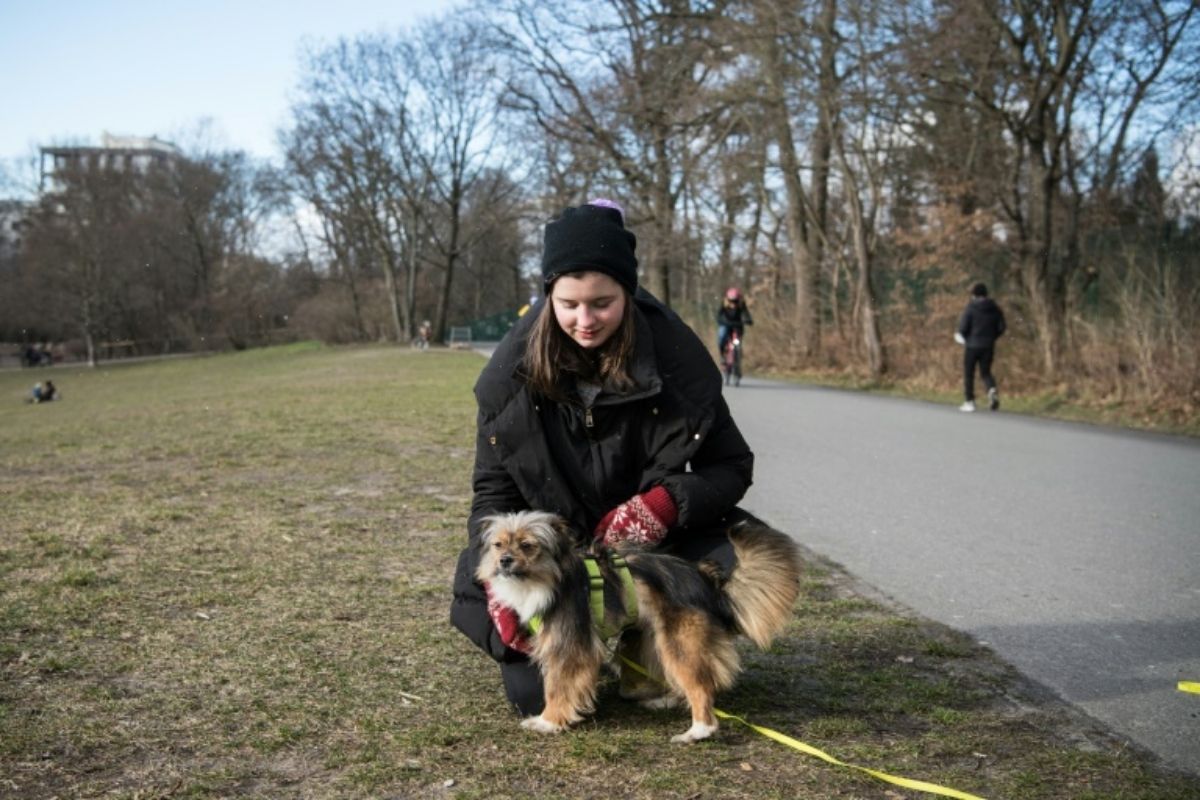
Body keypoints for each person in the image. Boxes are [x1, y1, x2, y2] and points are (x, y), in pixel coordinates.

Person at [450, 199, 756, 716]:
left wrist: (664, 504)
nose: (585, 320)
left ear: (628, 294)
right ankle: (590, 644)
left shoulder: (681, 364)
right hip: (552, 557)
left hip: (649, 550)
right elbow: (492, 492)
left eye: (602, 303)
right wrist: (500, 590)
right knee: (532, 697)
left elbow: (731, 465)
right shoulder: (506, 381)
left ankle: (645, 647)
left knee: (743, 560)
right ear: (548, 296)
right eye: (568, 304)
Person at [955, 282, 1006, 412]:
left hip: (972, 345)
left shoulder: (971, 308)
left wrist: (962, 336)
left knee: (969, 373)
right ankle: (991, 389)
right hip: (988, 345)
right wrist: (993, 337)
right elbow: (1001, 327)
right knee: (986, 372)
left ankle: (970, 401)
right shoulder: (995, 308)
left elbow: (963, 327)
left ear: (974, 295)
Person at [716, 287, 752, 359]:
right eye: (731, 301)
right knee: (722, 336)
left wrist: (748, 320)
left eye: (735, 301)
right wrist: (720, 320)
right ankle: (722, 353)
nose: (733, 303)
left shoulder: (741, 304)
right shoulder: (724, 304)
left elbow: (746, 313)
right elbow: (719, 315)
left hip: (737, 325)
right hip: (726, 324)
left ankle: (738, 352)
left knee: (738, 339)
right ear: (728, 300)